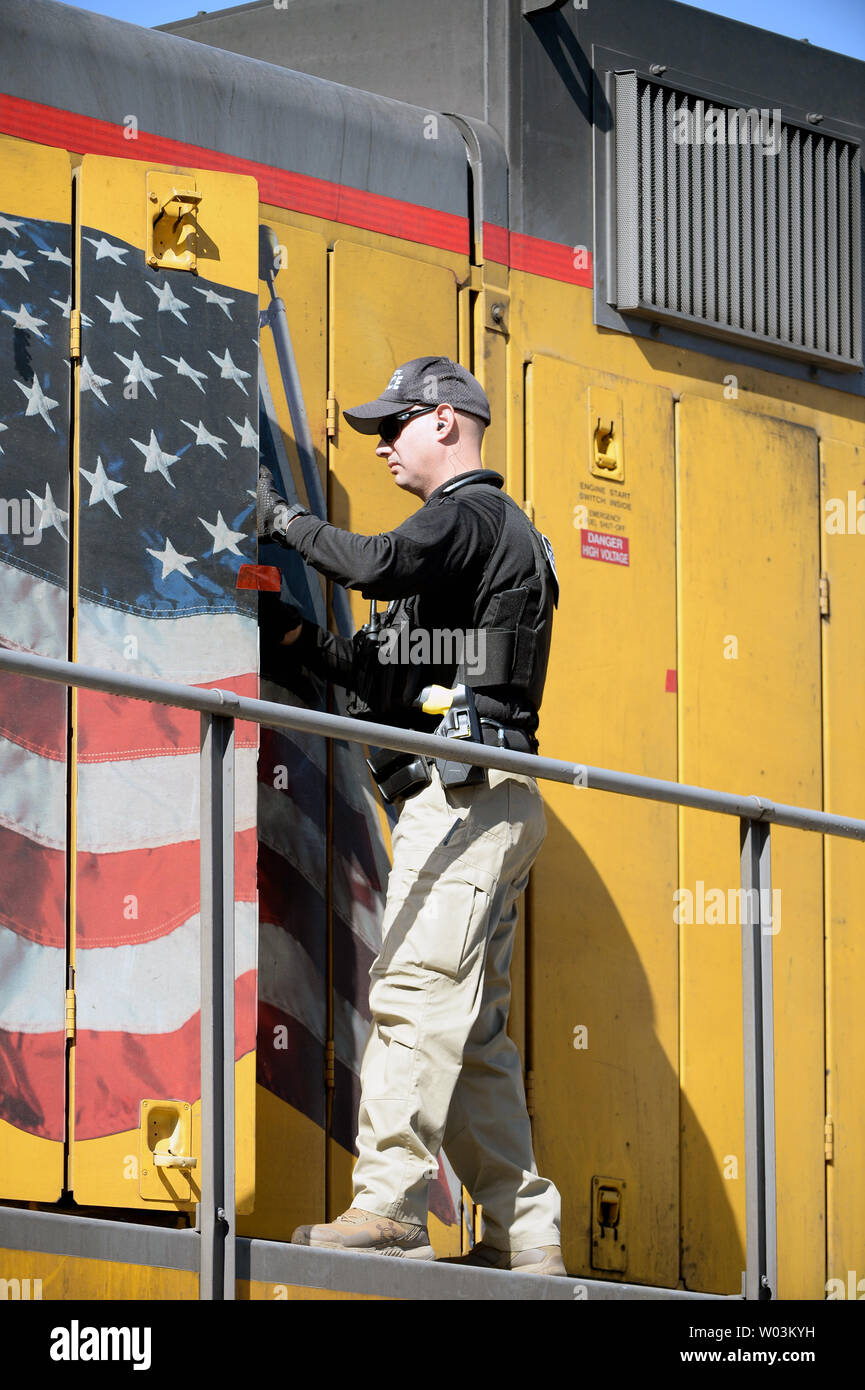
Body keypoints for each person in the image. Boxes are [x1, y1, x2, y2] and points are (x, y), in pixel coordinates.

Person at [257, 356, 565, 1277]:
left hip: (464, 799)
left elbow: (377, 561)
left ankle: (388, 1205)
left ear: (447, 422)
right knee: (471, 1037)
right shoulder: (464, 557)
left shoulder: (471, 515)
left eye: (394, 427)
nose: (383, 446)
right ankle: (527, 1237)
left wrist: (280, 521)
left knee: (411, 991)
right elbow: (377, 668)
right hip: (485, 803)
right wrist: (299, 642)